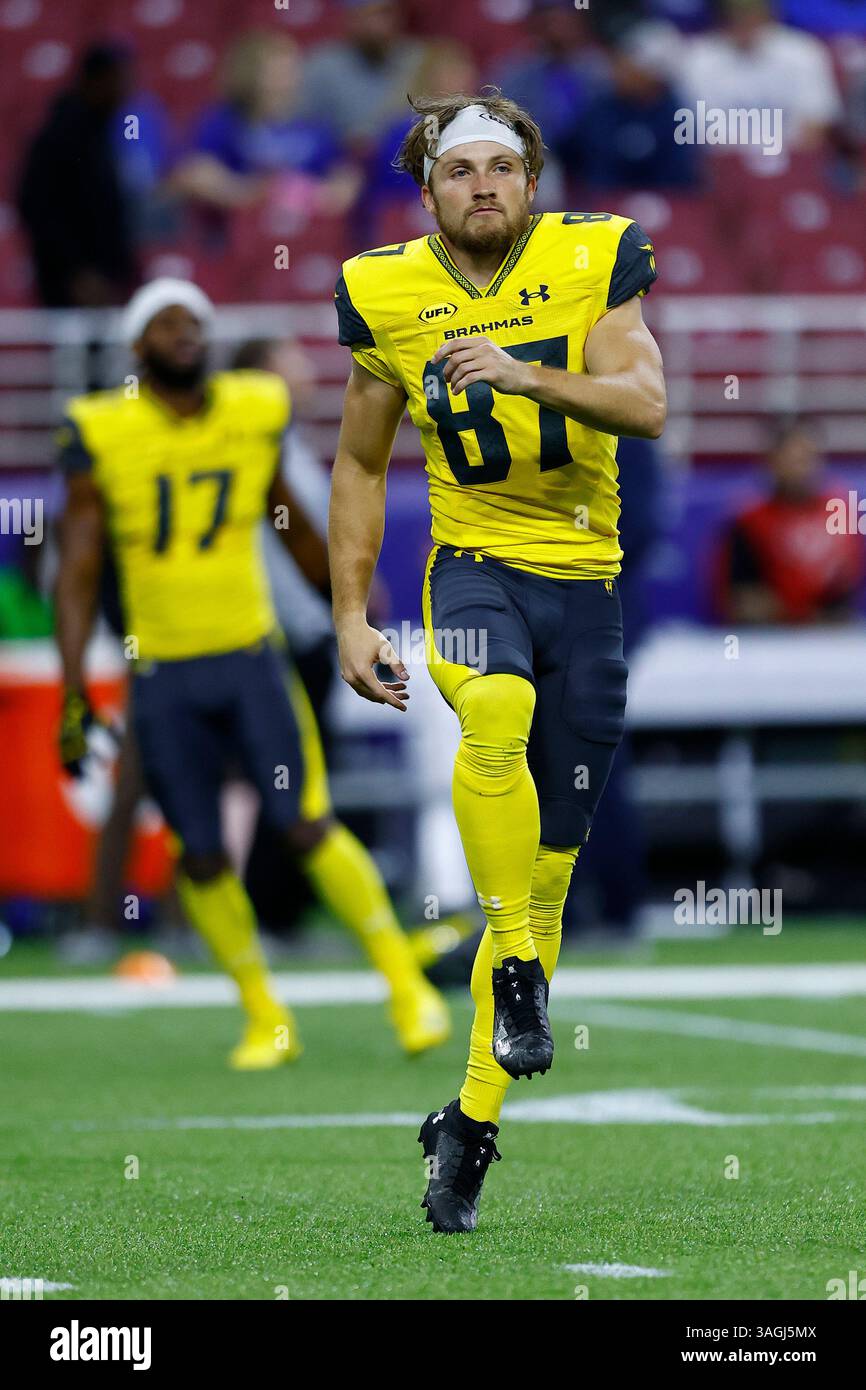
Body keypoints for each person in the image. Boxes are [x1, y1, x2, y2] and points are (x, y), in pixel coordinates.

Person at [329, 93, 665, 1232]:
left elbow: (646, 401)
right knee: (494, 710)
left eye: (501, 166)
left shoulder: (592, 257)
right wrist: (347, 616)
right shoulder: (381, 287)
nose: (482, 184)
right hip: (471, 568)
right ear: (425, 190)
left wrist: (526, 377)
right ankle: (511, 959)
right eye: (459, 168)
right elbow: (360, 465)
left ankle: (466, 1124)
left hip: (585, 578)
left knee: (555, 872)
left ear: (532, 180)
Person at [54, 278, 450, 1070]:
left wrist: (349, 620)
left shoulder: (251, 409)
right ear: (137, 346)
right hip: (164, 671)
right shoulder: (102, 430)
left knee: (304, 821)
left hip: (249, 655)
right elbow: (80, 569)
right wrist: (74, 691)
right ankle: (265, 1014)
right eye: (166, 323)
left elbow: (297, 529)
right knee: (198, 851)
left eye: (196, 321)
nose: (185, 333)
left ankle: (407, 984)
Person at [17, 42, 138, 308]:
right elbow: (36, 208)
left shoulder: (103, 130)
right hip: (71, 286)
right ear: (96, 80)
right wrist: (76, 273)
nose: (125, 90)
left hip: (104, 281)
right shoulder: (61, 134)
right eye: (117, 80)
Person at [717, 420, 864, 625]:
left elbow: (845, 593)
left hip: (828, 637)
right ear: (771, 463)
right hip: (770, 640)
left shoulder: (838, 513)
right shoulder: (749, 521)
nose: (799, 469)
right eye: (791, 459)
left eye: (805, 458)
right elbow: (740, 601)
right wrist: (797, 614)